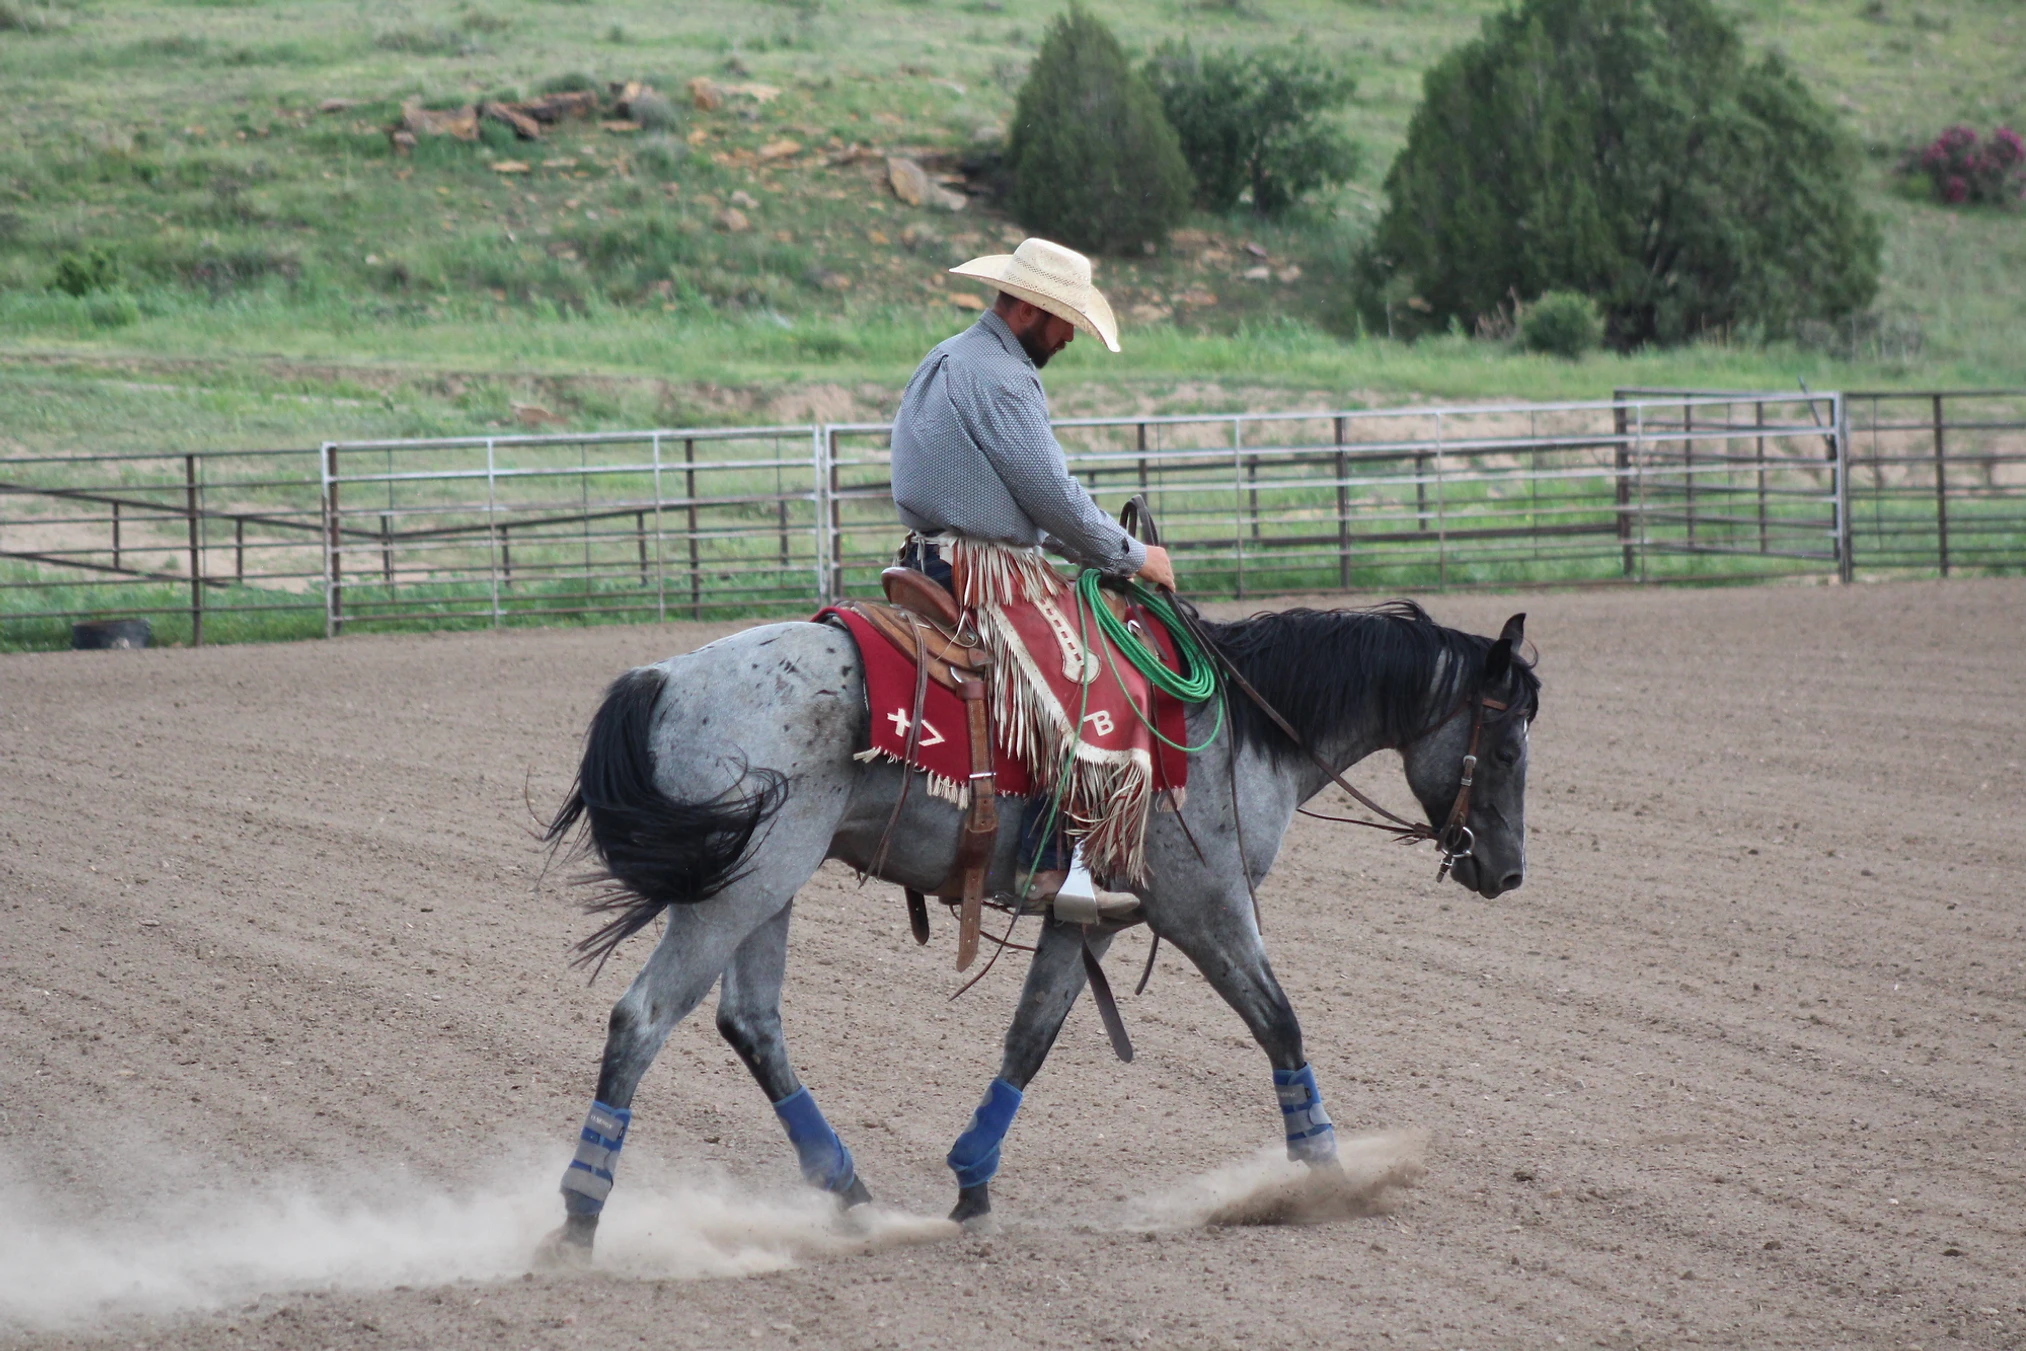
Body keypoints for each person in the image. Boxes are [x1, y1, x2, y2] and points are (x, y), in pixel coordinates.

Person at [888, 237, 1172, 901]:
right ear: (1026, 311)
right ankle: (1050, 864)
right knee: (1093, 672)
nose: (1069, 337)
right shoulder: (1004, 378)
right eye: (1064, 321)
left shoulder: (947, 356)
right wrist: (1135, 556)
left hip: (928, 558)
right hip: (983, 572)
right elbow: (1053, 498)